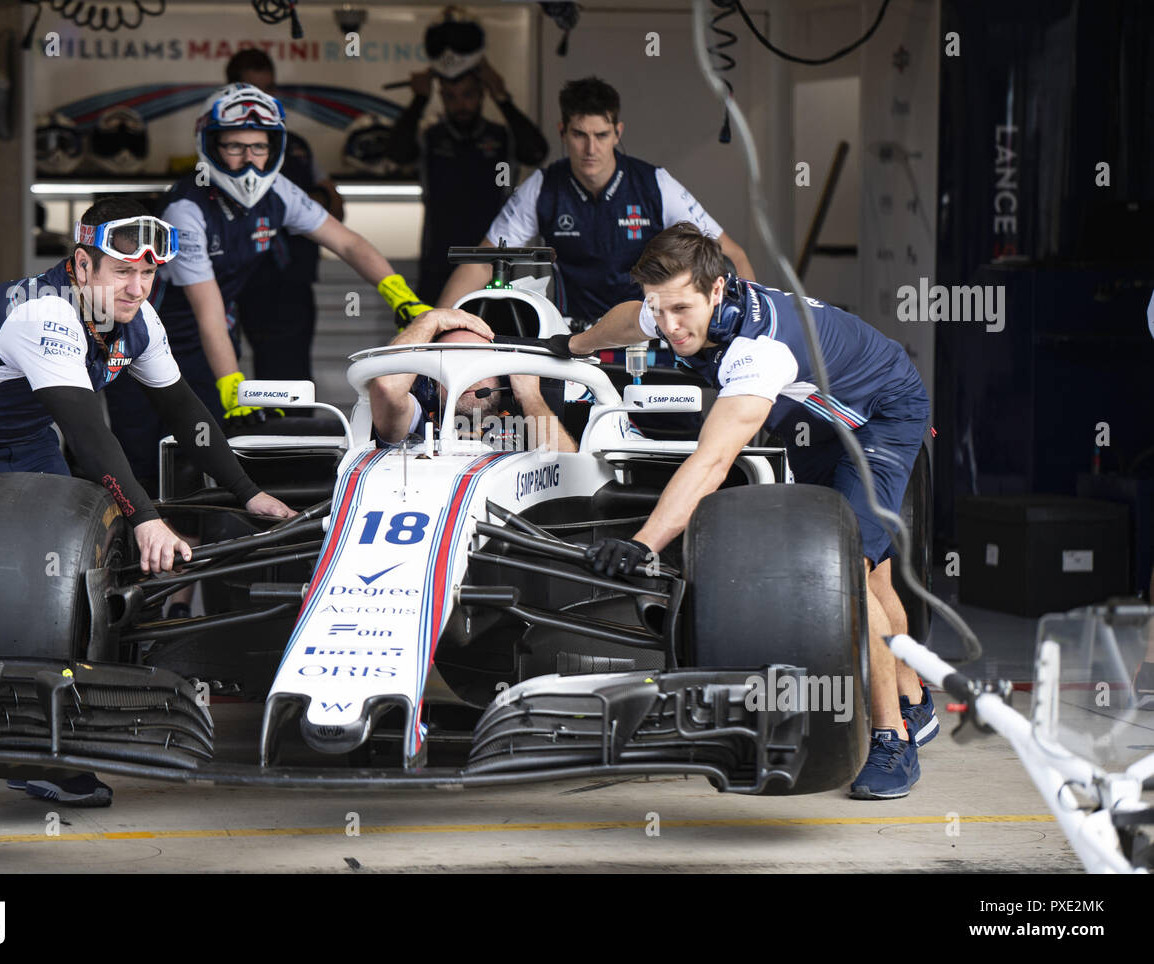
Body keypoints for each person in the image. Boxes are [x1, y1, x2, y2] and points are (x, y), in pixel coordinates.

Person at [0, 197, 294, 806]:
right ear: (81, 265)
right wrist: (146, 517)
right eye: (123, 271)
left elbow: (184, 412)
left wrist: (248, 492)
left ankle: (66, 728)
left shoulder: (140, 321)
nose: (138, 287)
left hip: (23, 439)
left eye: (148, 274)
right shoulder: (42, 315)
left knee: (73, 586)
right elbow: (90, 434)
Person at [554, 222, 936, 799]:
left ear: (717, 290)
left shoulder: (758, 353)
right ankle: (914, 697)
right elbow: (627, 315)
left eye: (681, 309)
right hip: (816, 419)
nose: (669, 326)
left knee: (849, 569)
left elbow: (712, 464)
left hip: (880, 415)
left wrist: (643, 543)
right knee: (875, 570)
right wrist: (570, 347)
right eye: (660, 310)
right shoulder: (669, 305)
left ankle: (891, 738)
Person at [106, 82, 433, 496]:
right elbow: (207, 312)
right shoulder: (185, 210)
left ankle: (195, 548)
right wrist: (234, 385)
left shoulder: (279, 191)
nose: (249, 161)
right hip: (137, 341)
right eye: (235, 147)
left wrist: (398, 293)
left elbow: (347, 242)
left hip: (208, 341)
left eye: (259, 147)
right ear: (210, 145)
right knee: (140, 464)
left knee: (203, 455)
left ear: (275, 147)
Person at [435, 76, 755, 325]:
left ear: (617, 132)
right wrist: (437, 324)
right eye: (579, 135)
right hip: (571, 335)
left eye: (601, 135)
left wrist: (747, 323)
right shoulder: (543, 186)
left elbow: (732, 255)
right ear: (562, 132)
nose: (591, 149)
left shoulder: (654, 183)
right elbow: (482, 260)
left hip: (647, 327)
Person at [385, 55, 548, 305]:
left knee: (495, 342)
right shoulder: (430, 137)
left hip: (496, 267)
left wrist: (502, 96)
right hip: (438, 265)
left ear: (483, 94)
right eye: (451, 97)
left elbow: (537, 152)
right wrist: (419, 99)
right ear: (441, 97)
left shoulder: (503, 137)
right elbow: (396, 152)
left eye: (468, 95)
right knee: (435, 340)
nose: (461, 104)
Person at [226, 49, 344, 382]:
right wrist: (309, 200)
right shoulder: (222, 147)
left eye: (269, 90)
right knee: (218, 370)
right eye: (253, 91)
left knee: (290, 375)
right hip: (240, 277)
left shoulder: (297, 146)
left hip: (293, 279)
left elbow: (335, 207)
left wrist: (311, 200)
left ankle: (291, 433)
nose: (264, 100)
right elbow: (252, 205)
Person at [369, 308, 575, 453]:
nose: (466, 374)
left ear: (501, 374)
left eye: (478, 361)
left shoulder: (526, 423)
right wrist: (430, 320)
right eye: (450, 361)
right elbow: (387, 387)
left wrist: (531, 397)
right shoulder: (416, 423)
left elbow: (564, 470)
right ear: (433, 382)